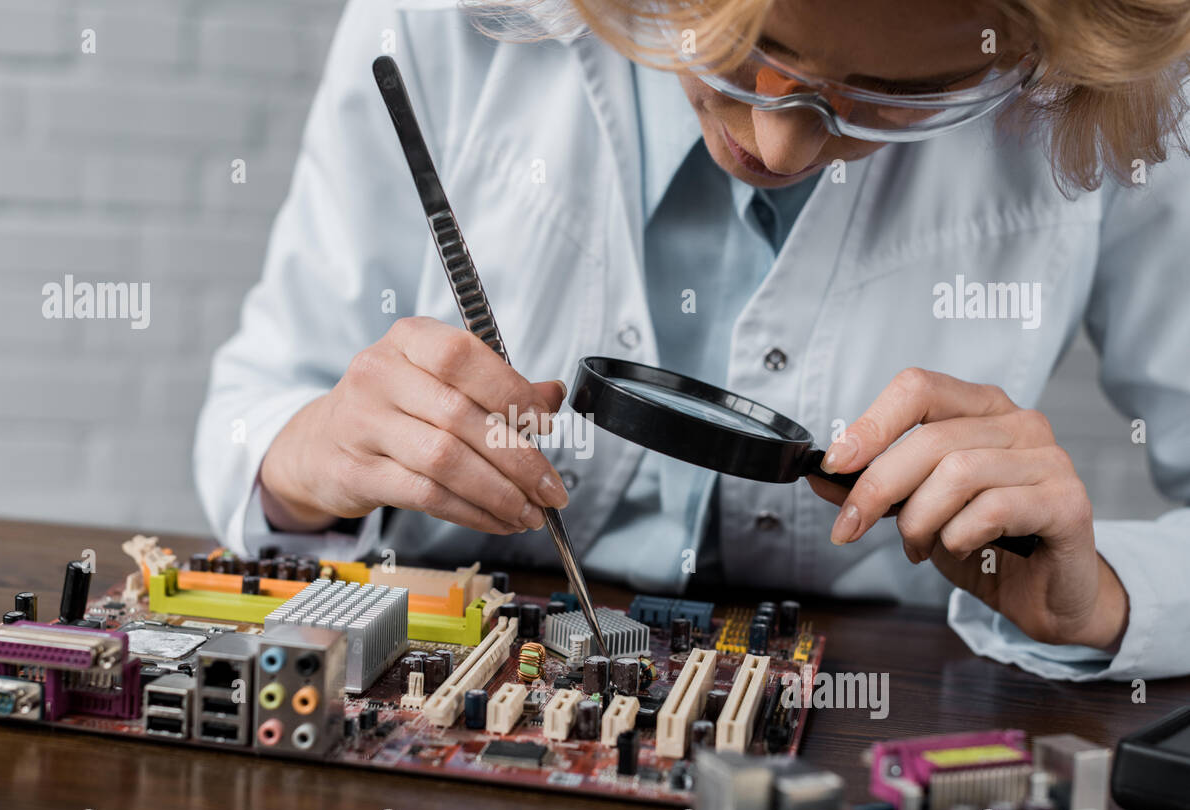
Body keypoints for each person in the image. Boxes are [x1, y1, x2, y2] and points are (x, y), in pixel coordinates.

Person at [194, 0, 1190, 681]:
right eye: (752, 53)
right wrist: (309, 453)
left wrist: (1104, 598)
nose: (779, 147)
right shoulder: (444, 17)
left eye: (903, 94)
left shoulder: (1116, 80)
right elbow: (256, 409)